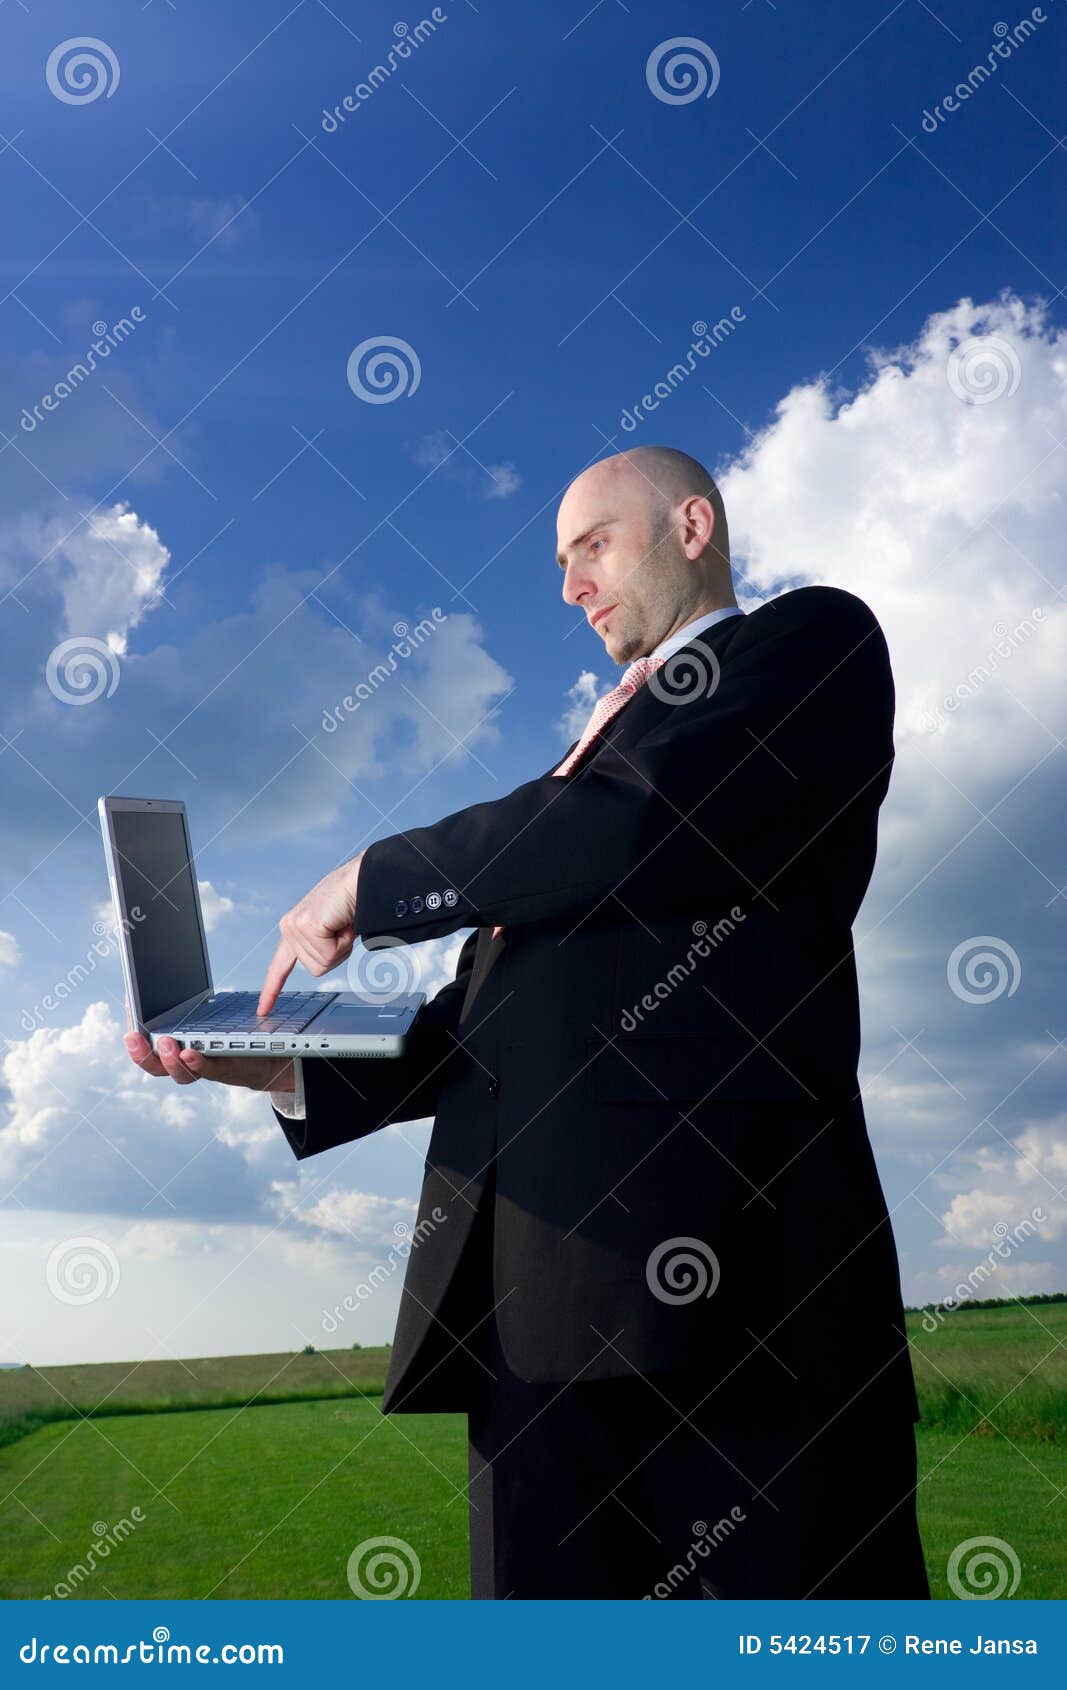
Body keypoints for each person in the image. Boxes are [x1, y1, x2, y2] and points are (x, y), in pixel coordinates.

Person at [125, 445, 930, 1599]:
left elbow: (636, 821)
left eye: (591, 546)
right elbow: (472, 1032)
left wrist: (375, 874)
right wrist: (264, 1065)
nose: (569, 587)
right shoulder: (567, 802)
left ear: (690, 526)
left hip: (742, 1314)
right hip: (526, 1334)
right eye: (557, 562)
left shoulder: (806, 648)